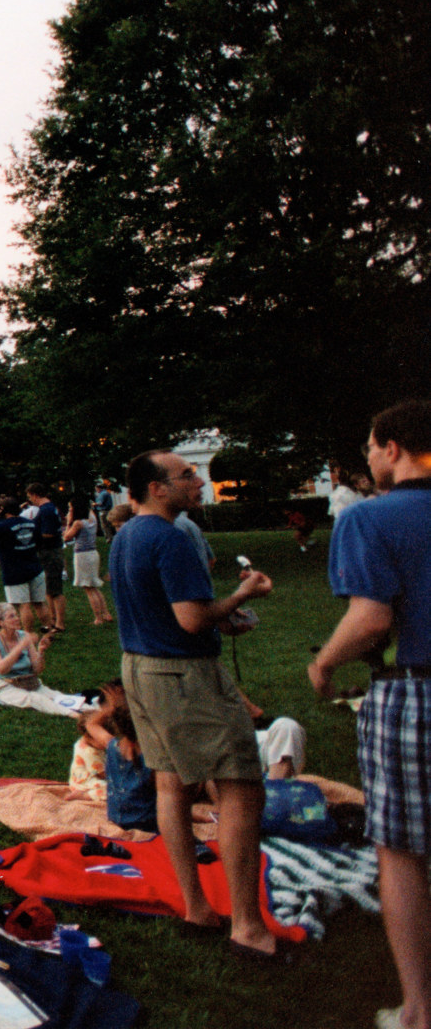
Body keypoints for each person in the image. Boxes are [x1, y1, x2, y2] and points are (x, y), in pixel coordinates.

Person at [110, 448, 276, 959]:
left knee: (171, 783)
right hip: (184, 675)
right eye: (187, 475)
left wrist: (220, 615)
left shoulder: (123, 537)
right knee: (240, 788)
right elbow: (191, 620)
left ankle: (196, 907)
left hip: (139, 668)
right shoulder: (171, 537)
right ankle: (248, 927)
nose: (199, 480)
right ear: (157, 488)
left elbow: (165, 609)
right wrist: (244, 593)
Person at [309, 400, 431, 1027]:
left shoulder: (370, 519)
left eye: (368, 447)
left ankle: (417, 1009)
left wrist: (325, 663)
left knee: (401, 850)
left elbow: (372, 618)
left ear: (392, 447)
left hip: (412, 691)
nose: (367, 459)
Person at [0, 602, 76, 718]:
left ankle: (93, 710)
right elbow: (1, 669)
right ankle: (73, 714)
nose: (17, 619)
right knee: (36, 699)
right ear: (0, 622)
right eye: (11, 617)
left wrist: (41, 652)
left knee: (59, 697)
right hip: (6, 687)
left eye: (16, 615)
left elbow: (38, 669)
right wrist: (21, 646)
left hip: (31, 683)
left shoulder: (23, 636)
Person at [0, 497, 46, 634]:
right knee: (39, 603)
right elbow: (39, 542)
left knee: (24, 605)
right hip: (34, 567)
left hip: (14, 570)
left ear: (2, 511)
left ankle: (27, 634)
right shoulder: (30, 523)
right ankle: (49, 629)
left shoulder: (1, 526)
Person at [65, 496, 113, 625]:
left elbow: (66, 537)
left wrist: (69, 522)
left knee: (89, 588)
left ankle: (98, 618)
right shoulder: (92, 516)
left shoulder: (78, 523)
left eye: (70, 507)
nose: (69, 510)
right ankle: (106, 613)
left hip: (82, 555)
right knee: (94, 586)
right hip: (93, 552)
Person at [27, 482, 67, 633]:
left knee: (55, 589)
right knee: (49, 589)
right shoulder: (48, 508)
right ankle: (53, 619)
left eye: (30, 496)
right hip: (48, 551)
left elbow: (49, 533)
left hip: (50, 551)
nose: (30, 500)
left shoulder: (46, 510)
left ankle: (60, 623)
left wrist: (35, 533)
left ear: (35, 495)